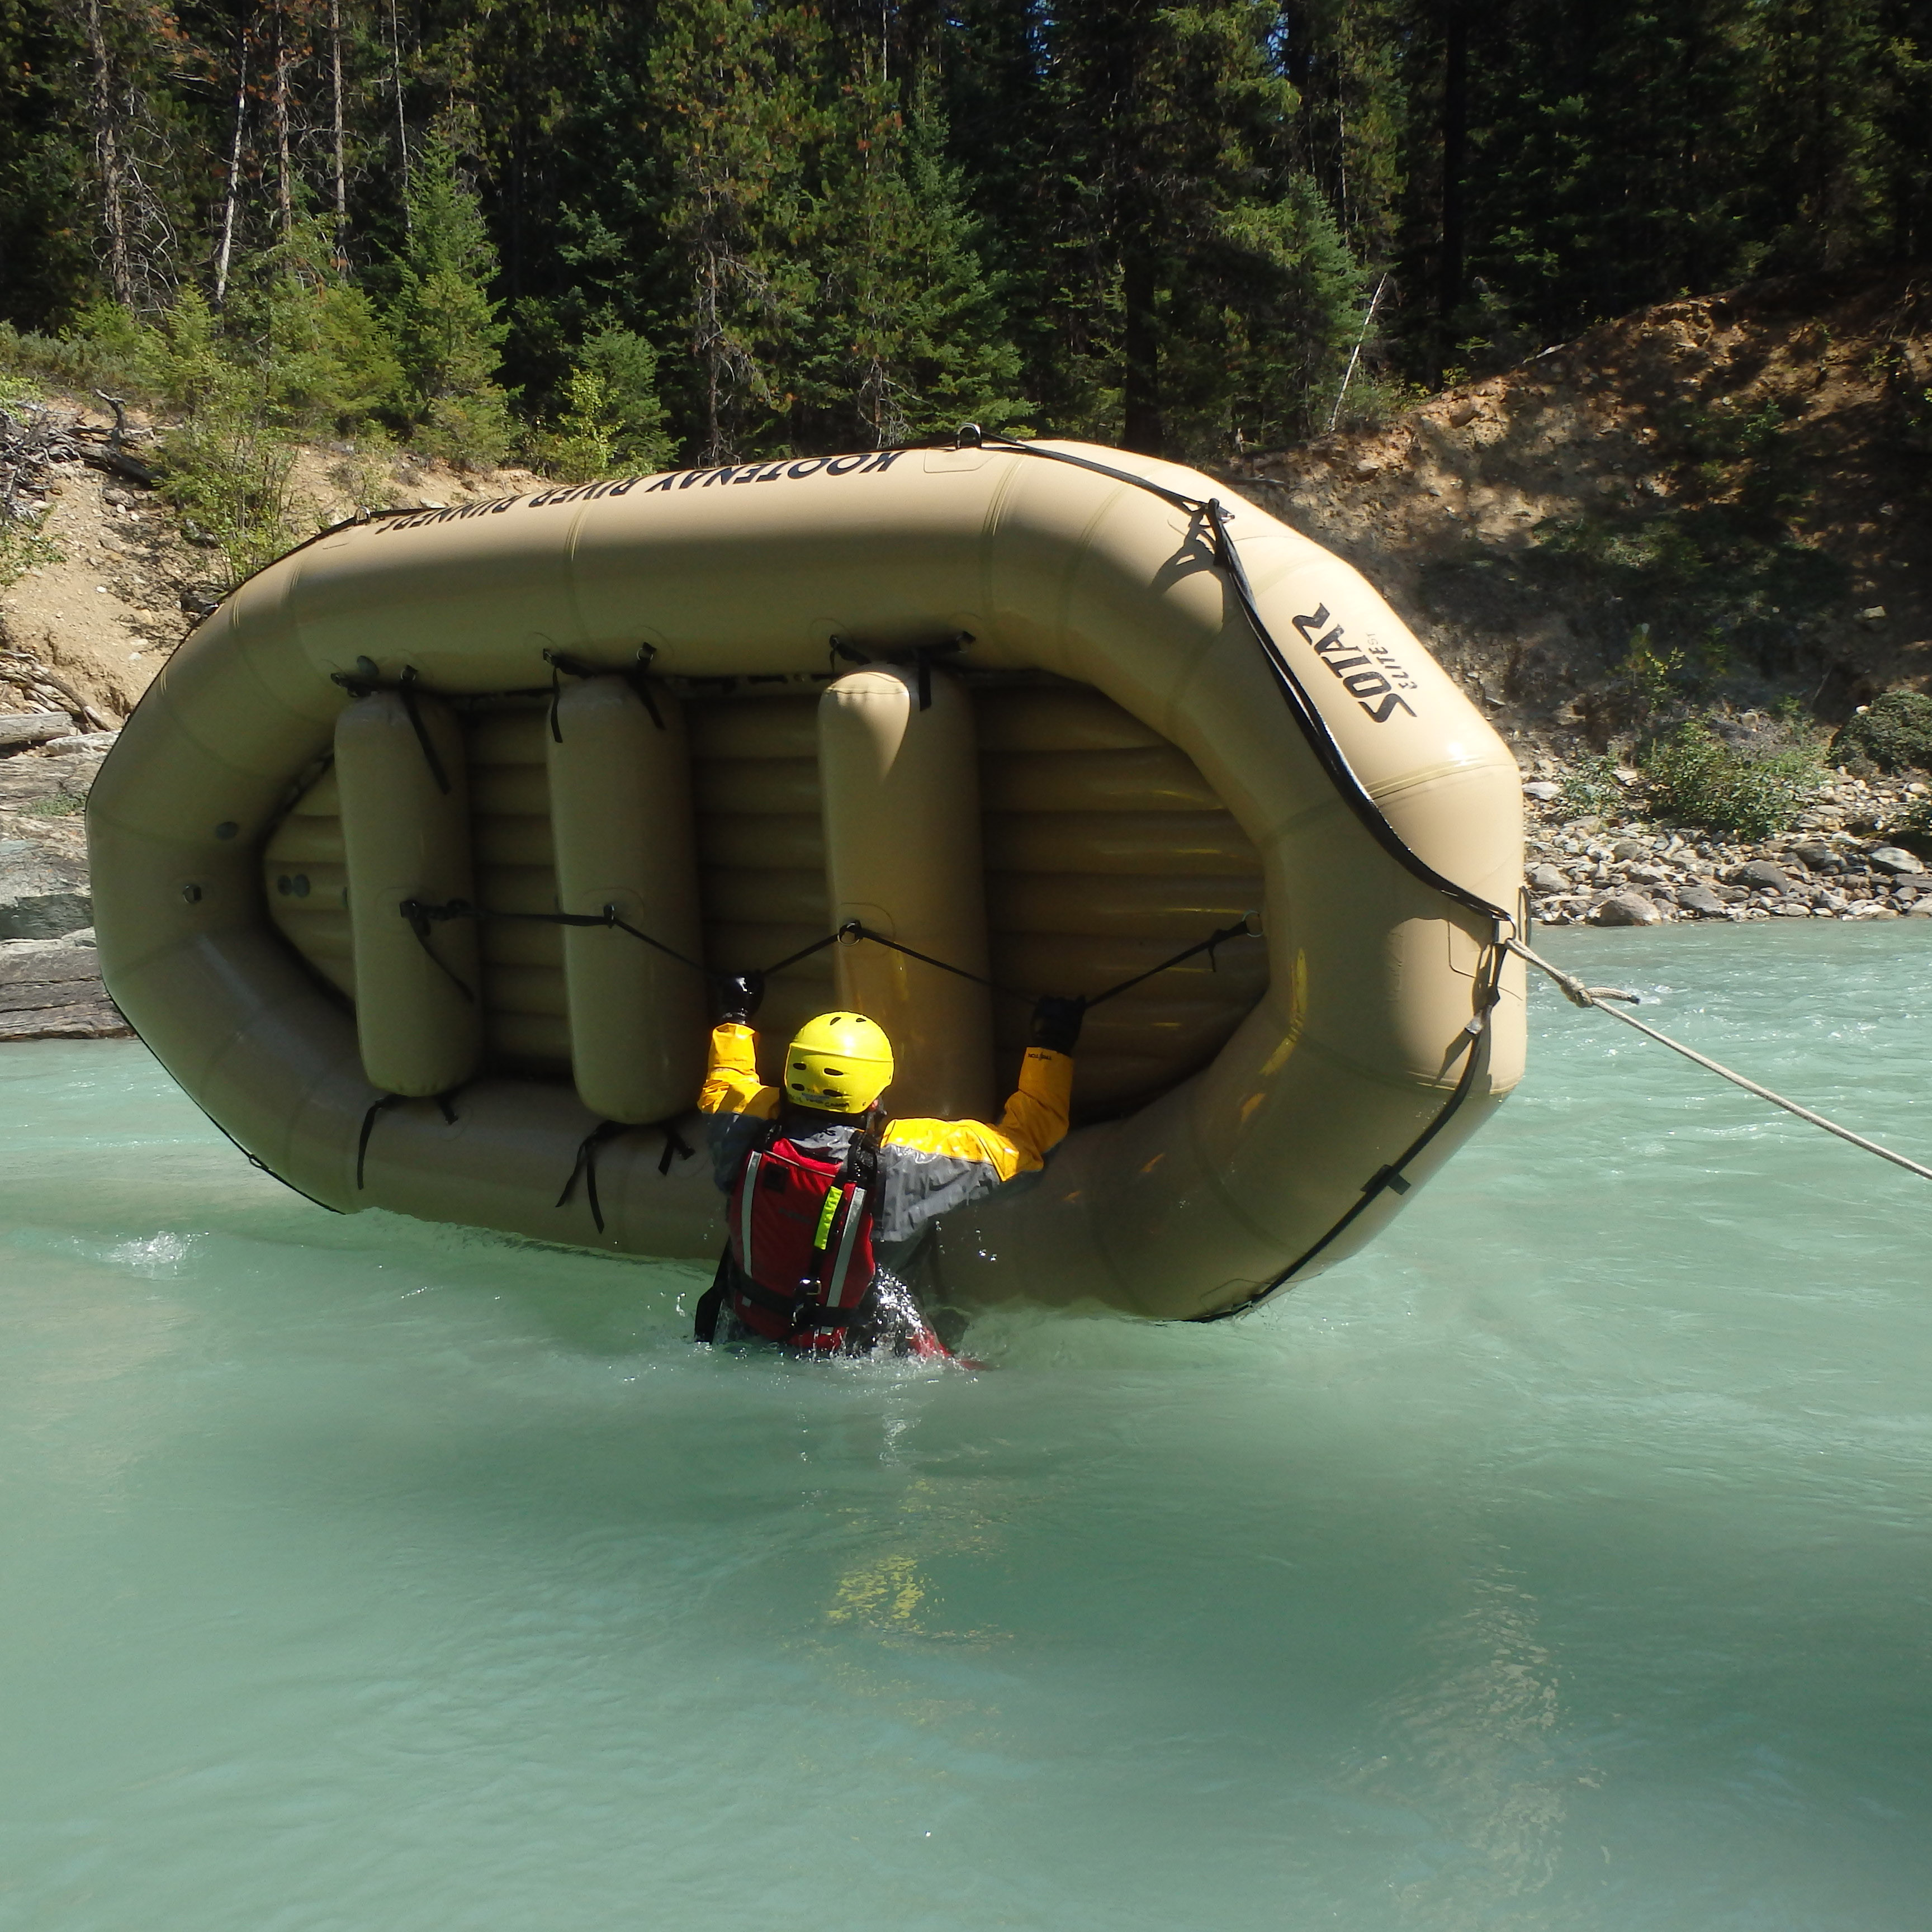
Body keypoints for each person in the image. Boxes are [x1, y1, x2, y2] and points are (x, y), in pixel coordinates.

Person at [693, 972, 1084, 1355]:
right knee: (955, 1328)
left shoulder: (744, 1124)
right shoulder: (902, 1158)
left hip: (747, 1332)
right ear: (876, 1097)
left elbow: (726, 1081)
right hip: (859, 1351)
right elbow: (1027, 1144)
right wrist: (1052, 1044)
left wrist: (736, 1017)